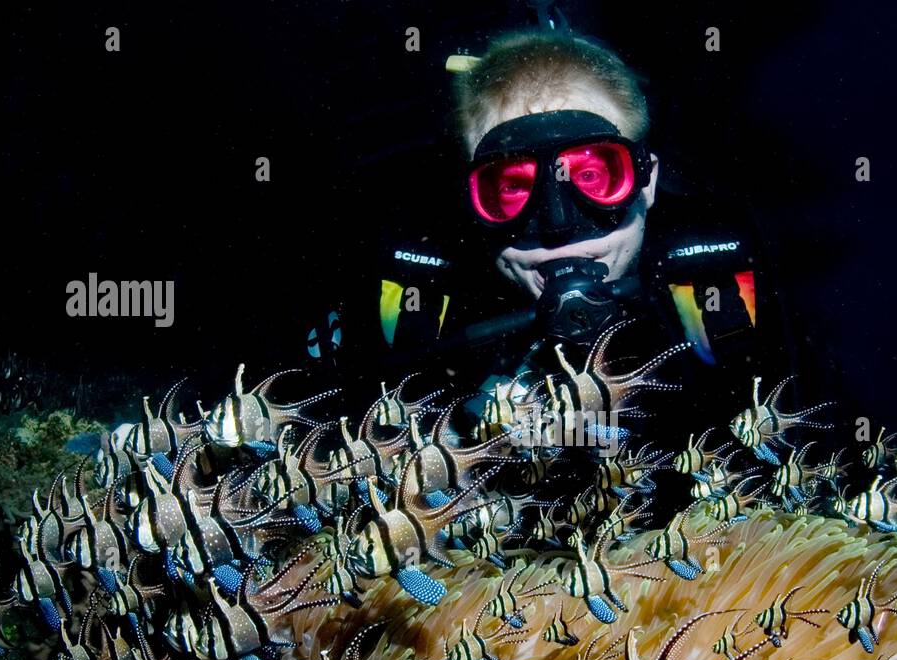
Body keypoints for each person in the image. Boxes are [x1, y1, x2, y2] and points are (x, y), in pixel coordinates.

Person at [317, 26, 771, 433]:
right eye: (510, 186)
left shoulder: (723, 276)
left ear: (647, 181)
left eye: (593, 175)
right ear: (469, 202)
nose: (559, 227)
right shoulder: (414, 296)